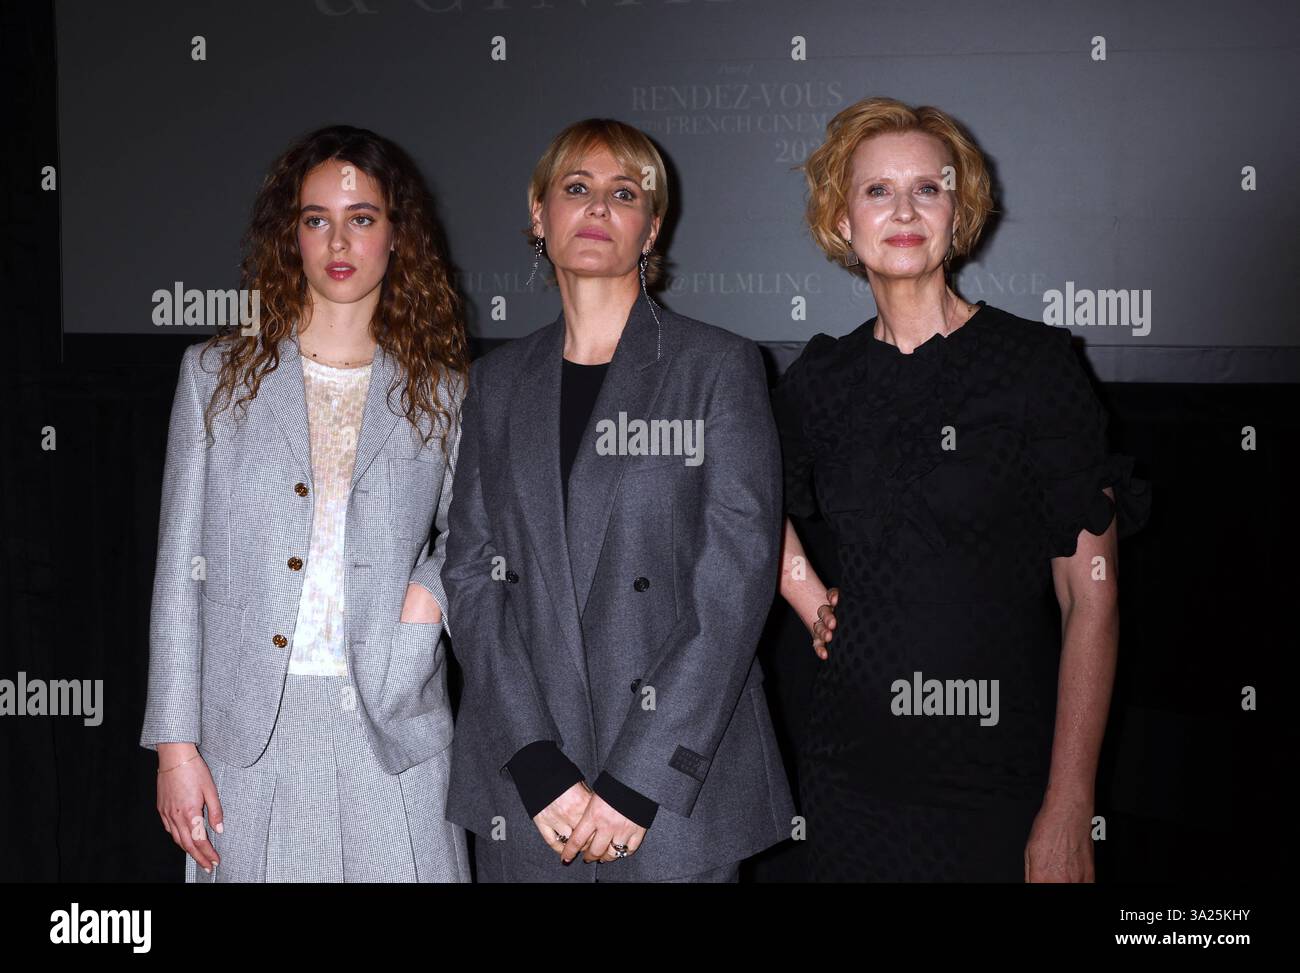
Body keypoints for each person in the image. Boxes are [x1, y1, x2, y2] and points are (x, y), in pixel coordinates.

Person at [774, 97, 1151, 881]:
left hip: (1000, 779)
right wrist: (810, 596)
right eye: (876, 190)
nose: (904, 209)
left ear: (960, 210)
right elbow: (740, 501)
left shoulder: (1034, 368)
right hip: (849, 778)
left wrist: (1071, 802)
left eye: (929, 188)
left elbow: (1092, 600)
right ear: (842, 221)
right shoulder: (822, 380)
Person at [441, 118, 796, 882]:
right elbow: (470, 575)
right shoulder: (496, 385)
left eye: (623, 192)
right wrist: (536, 761)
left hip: (671, 792)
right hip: (530, 793)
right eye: (577, 188)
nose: (598, 206)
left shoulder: (718, 367)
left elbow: (731, 587)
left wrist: (638, 780)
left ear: (651, 227)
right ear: (539, 216)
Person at [139, 125, 471, 882]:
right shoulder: (216, 377)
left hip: (395, 725)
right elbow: (177, 573)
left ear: (398, 234)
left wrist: (427, 598)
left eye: (362, 216)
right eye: (316, 218)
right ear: (291, 236)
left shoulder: (444, 391)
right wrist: (174, 745)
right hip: (247, 738)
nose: (338, 239)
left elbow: (477, 537)